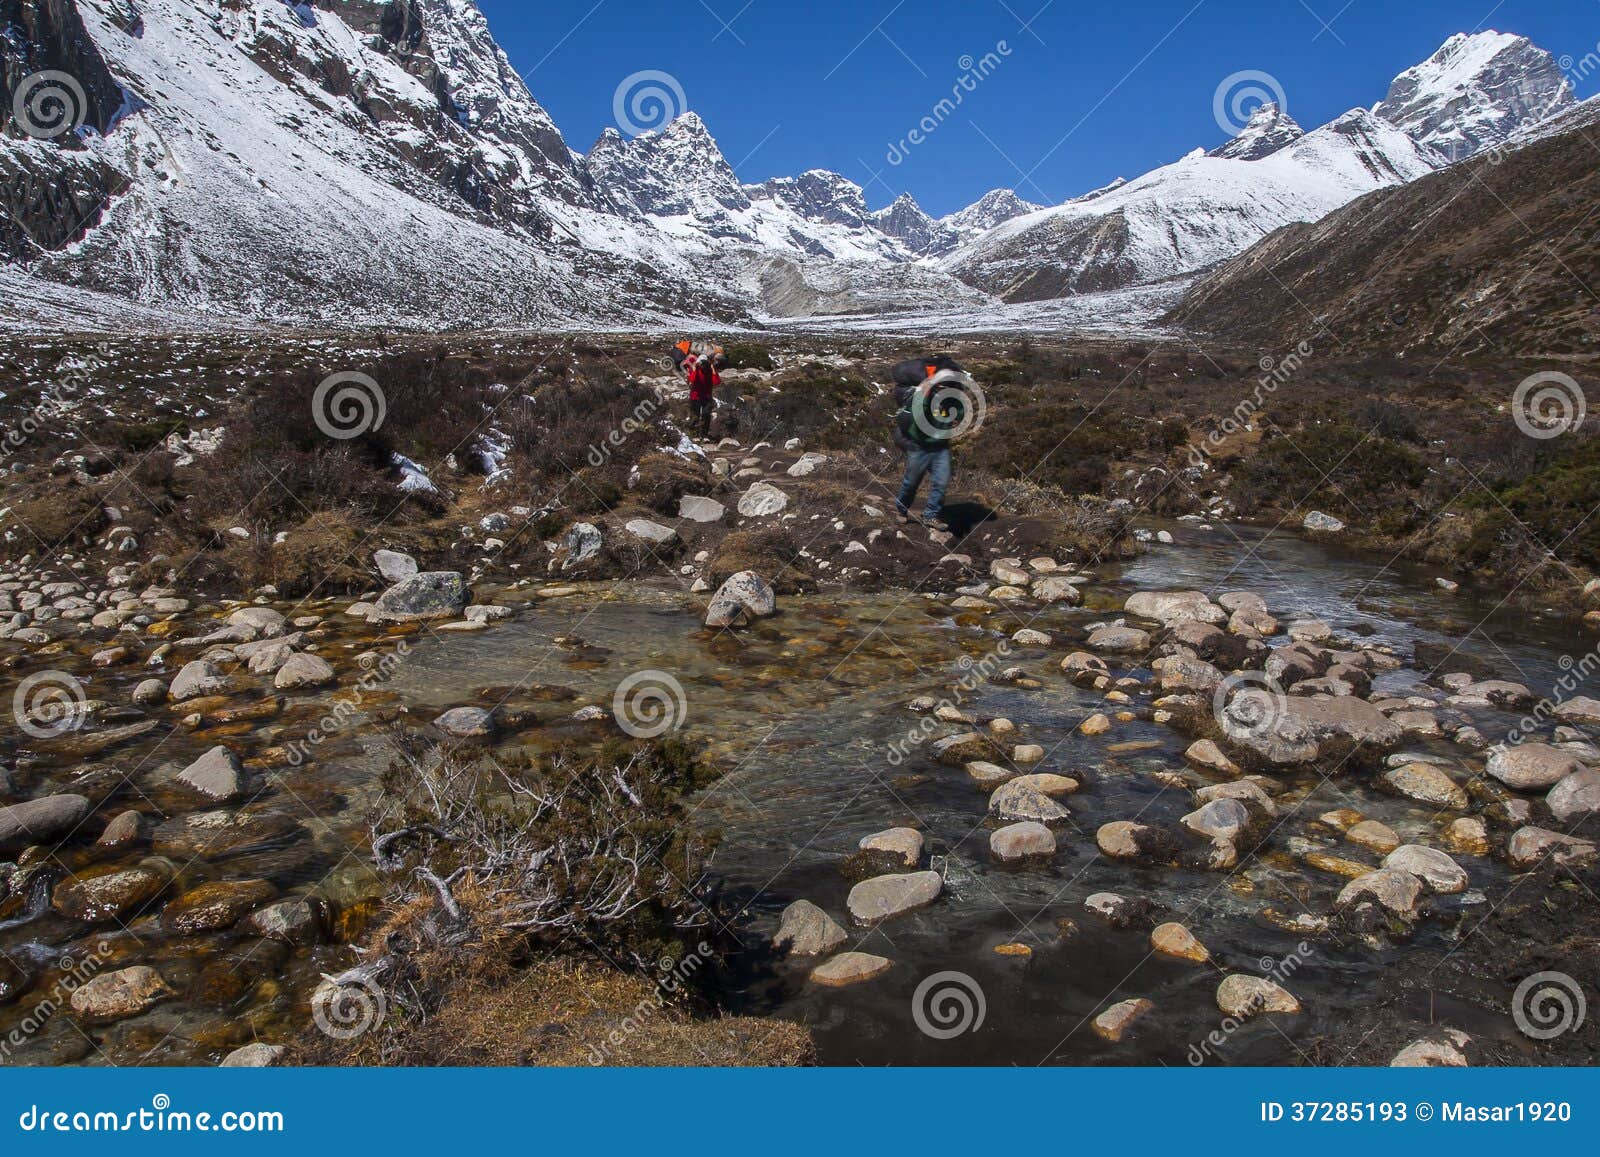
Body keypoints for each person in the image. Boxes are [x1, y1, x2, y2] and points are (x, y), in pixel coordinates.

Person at [893, 365, 978, 532]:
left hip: (941, 448)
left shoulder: (953, 399)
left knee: (941, 482)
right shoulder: (924, 396)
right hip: (920, 447)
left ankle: (930, 515)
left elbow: (960, 413)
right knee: (912, 483)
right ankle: (902, 509)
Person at [686, 352, 720, 440]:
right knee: (695, 415)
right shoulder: (695, 370)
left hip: (706, 396)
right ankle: (694, 434)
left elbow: (716, 382)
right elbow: (692, 380)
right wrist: (694, 369)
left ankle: (704, 435)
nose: (703, 366)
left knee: (706, 414)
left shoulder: (710, 371)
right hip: (696, 396)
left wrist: (712, 369)